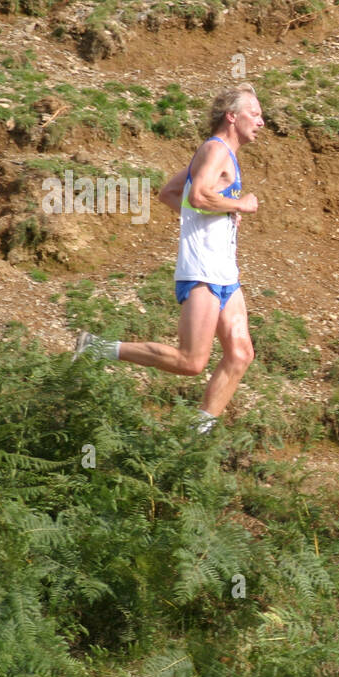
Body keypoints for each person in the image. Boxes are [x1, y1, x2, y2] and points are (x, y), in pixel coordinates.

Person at [73, 83, 264, 433]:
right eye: (255, 113)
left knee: (240, 354)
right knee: (192, 362)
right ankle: (97, 348)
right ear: (232, 116)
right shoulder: (215, 149)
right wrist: (238, 204)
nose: (261, 121)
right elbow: (203, 196)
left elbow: (171, 193)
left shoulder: (222, 154)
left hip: (225, 272)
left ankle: (196, 437)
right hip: (202, 270)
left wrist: (216, 213)